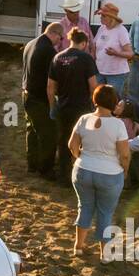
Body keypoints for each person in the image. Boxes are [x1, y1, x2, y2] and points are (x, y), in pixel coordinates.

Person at [68, 84, 129, 259]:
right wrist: (125, 170)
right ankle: (105, 253)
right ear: (113, 102)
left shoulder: (84, 119)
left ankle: (78, 246)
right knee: (105, 213)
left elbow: (72, 145)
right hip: (109, 174)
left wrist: (80, 157)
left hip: (83, 170)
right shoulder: (118, 125)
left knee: (85, 207)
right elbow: (124, 154)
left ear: (95, 99)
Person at [48, 28, 99, 184]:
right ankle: (80, 176)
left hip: (63, 106)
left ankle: (63, 177)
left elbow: (50, 87)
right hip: (82, 108)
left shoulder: (57, 58)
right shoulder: (86, 59)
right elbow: (93, 86)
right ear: (83, 43)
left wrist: (52, 107)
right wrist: (95, 105)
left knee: (64, 141)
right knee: (84, 142)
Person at [22, 23, 63, 179]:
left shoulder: (30, 44)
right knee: (48, 134)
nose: (60, 41)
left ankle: (32, 164)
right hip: (39, 98)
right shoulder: (48, 50)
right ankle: (46, 170)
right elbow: (52, 80)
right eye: (60, 38)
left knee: (31, 131)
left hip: (26, 94)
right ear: (55, 34)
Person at [93, 2, 132, 93]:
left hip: (116, 74)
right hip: (99, 71)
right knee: (98, 99)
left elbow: (130, 54)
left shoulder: (121, 31)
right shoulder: (102, 28)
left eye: (103, 16)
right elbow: (95, 44)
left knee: (112, 101)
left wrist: (116, 53)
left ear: (111, 18)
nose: (100, 17)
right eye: (100, 15)